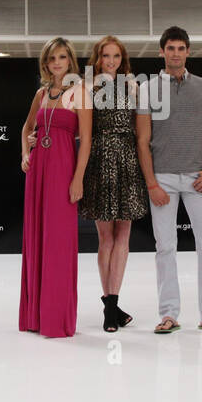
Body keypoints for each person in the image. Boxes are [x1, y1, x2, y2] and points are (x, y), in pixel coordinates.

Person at [136, 26, 202, 335]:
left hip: (197, 178)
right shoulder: (148, 88)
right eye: (170, 48)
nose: (175, 53)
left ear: (188, 51)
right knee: (165, 247)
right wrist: (151, 183)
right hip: (161, 178)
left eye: (181, 48)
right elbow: (143, 140)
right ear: (161, 52)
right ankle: (168, 314)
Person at [20, 36, 92, 339]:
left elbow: (86, 141)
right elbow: (27, 129)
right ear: (46, 63)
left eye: (62, 57)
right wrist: (26, 152)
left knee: (59, 243)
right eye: (52, 59)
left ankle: (56, 317)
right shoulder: (41, 93)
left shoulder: (80, 93)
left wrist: (78, 179)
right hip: (38, 171)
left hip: (64, 171)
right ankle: (35, 317)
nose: (57, 63)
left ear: (70, 61)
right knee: (36, 239)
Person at [77, 35, 145, 332]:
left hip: (128, 159)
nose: (112, 61)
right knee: (106, 239)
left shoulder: (133, 86)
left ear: (123, 59)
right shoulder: (87, 86)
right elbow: (80, 130)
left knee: (123, 238)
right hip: (100, 158)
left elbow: (142, 127)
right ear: (98, 57)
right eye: (106, 56)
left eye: (116, 56)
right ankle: (110, 308)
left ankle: (112, 305)